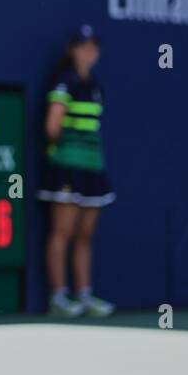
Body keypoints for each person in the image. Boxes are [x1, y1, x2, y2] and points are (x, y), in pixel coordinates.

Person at [37, 26, 115, 318]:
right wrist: (63, 150)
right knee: (62, 232)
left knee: (85, 235)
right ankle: (58, 296)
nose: (89, 52)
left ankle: (83, 294)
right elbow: (52, 126)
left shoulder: (95, 86)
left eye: (93, 46)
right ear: (73, 50)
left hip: (93, 167)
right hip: (67, 167)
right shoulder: (64, 82)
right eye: (84, 46)